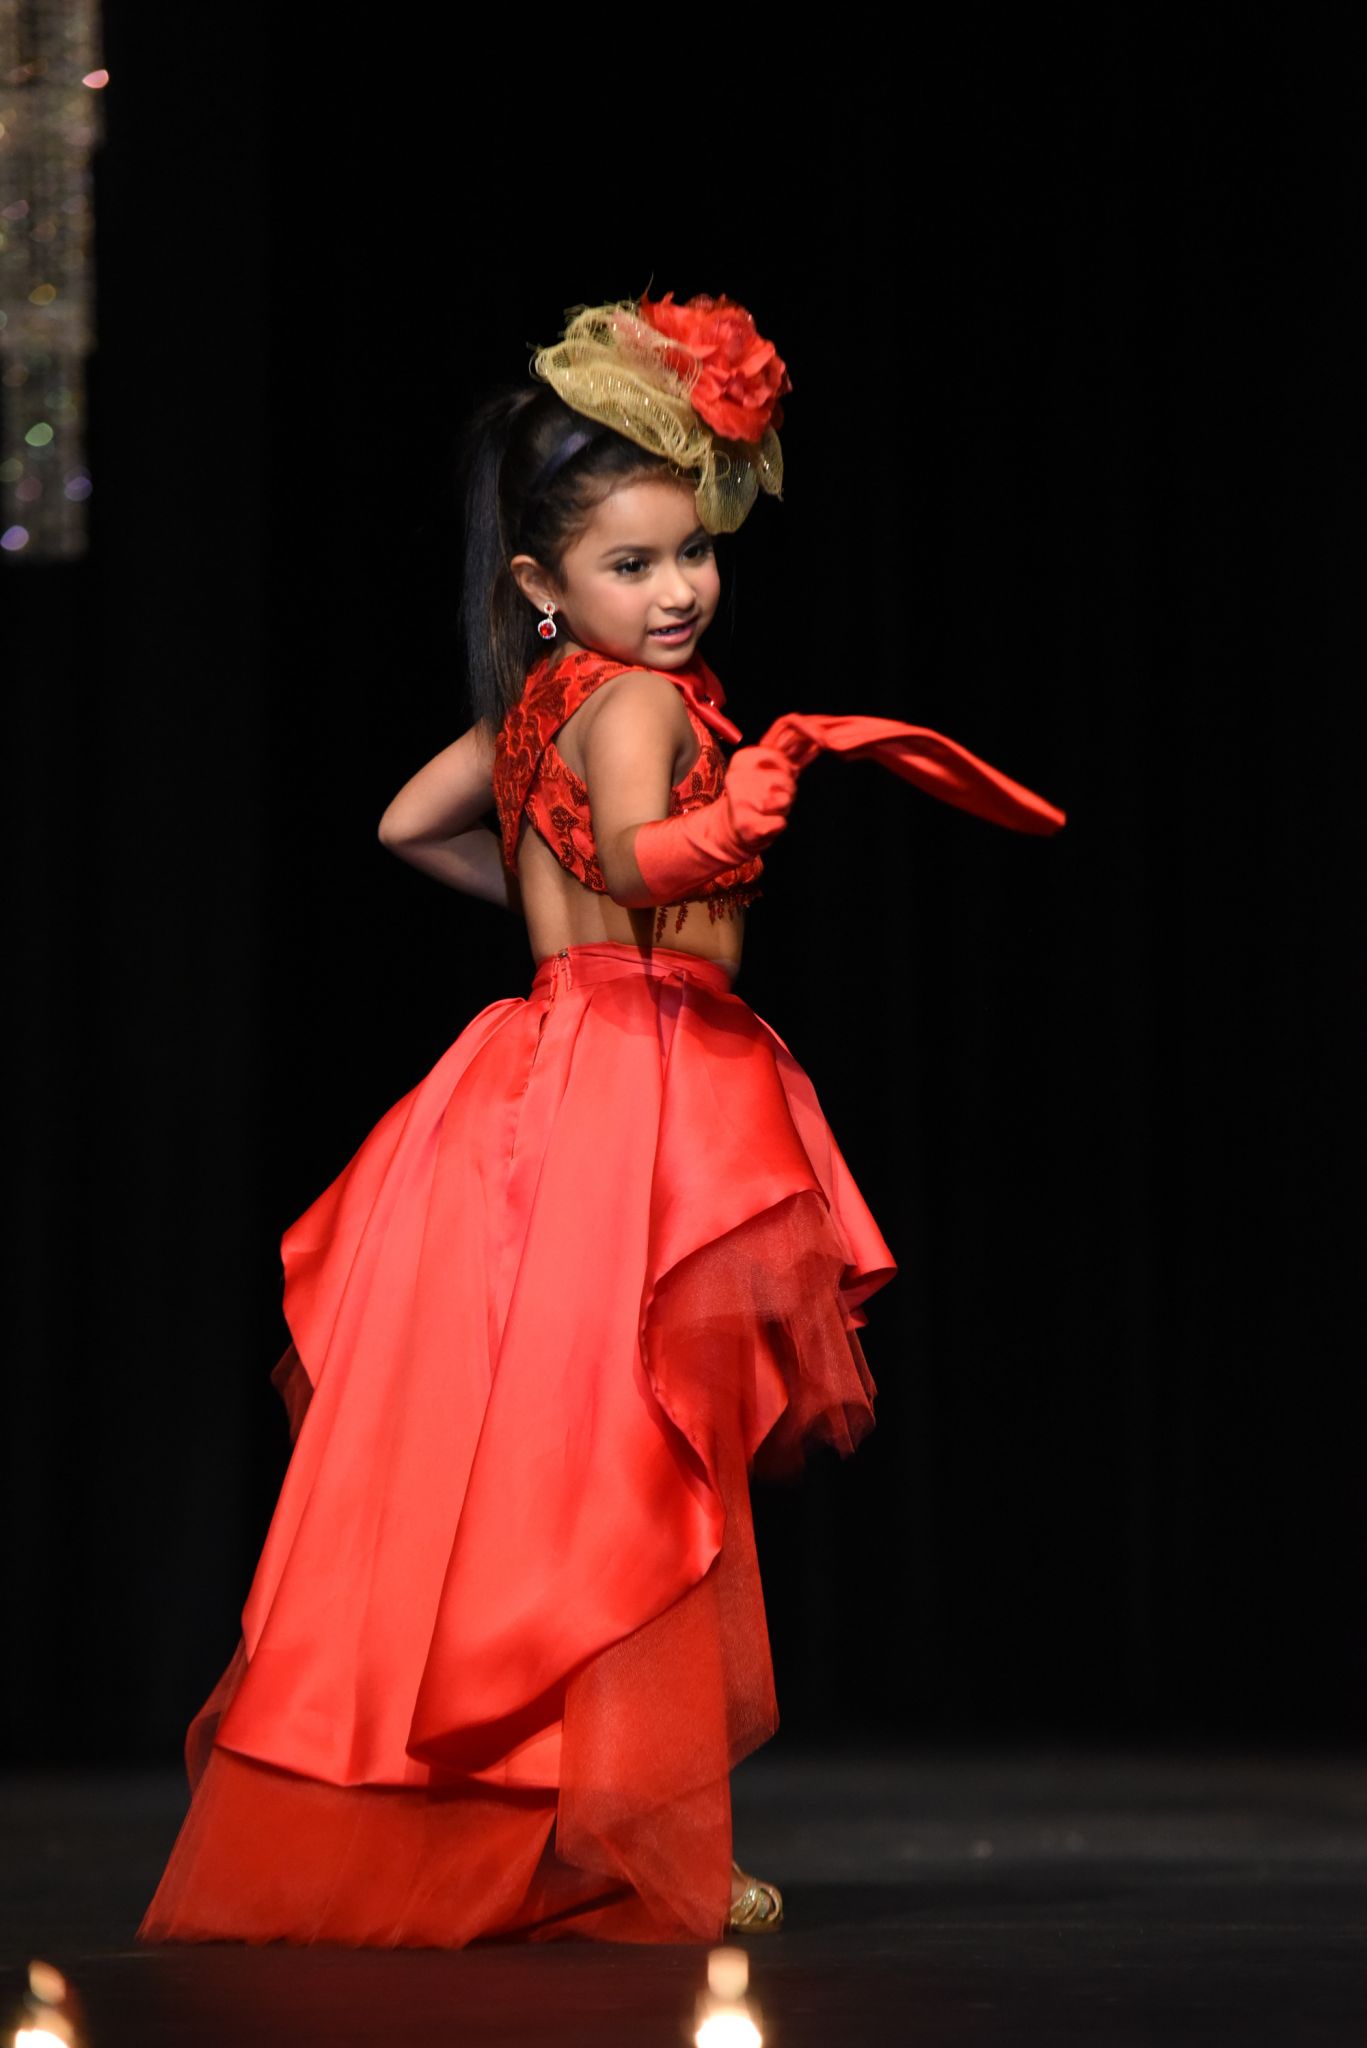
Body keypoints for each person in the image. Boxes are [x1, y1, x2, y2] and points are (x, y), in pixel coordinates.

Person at [135, 294, 1064, 1952]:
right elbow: (643, 860)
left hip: (530, 1072)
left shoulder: (543, 699)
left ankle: (573, 1821)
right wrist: (737, 810)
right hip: (634, 1089)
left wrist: (543, 908)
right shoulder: (642, 708)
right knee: (630, 1470)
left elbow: (407, 822)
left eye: (689, 553)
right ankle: (641, 1839)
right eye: (631, 568)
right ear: (541, 583)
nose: (678, 590)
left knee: (539, 1470)